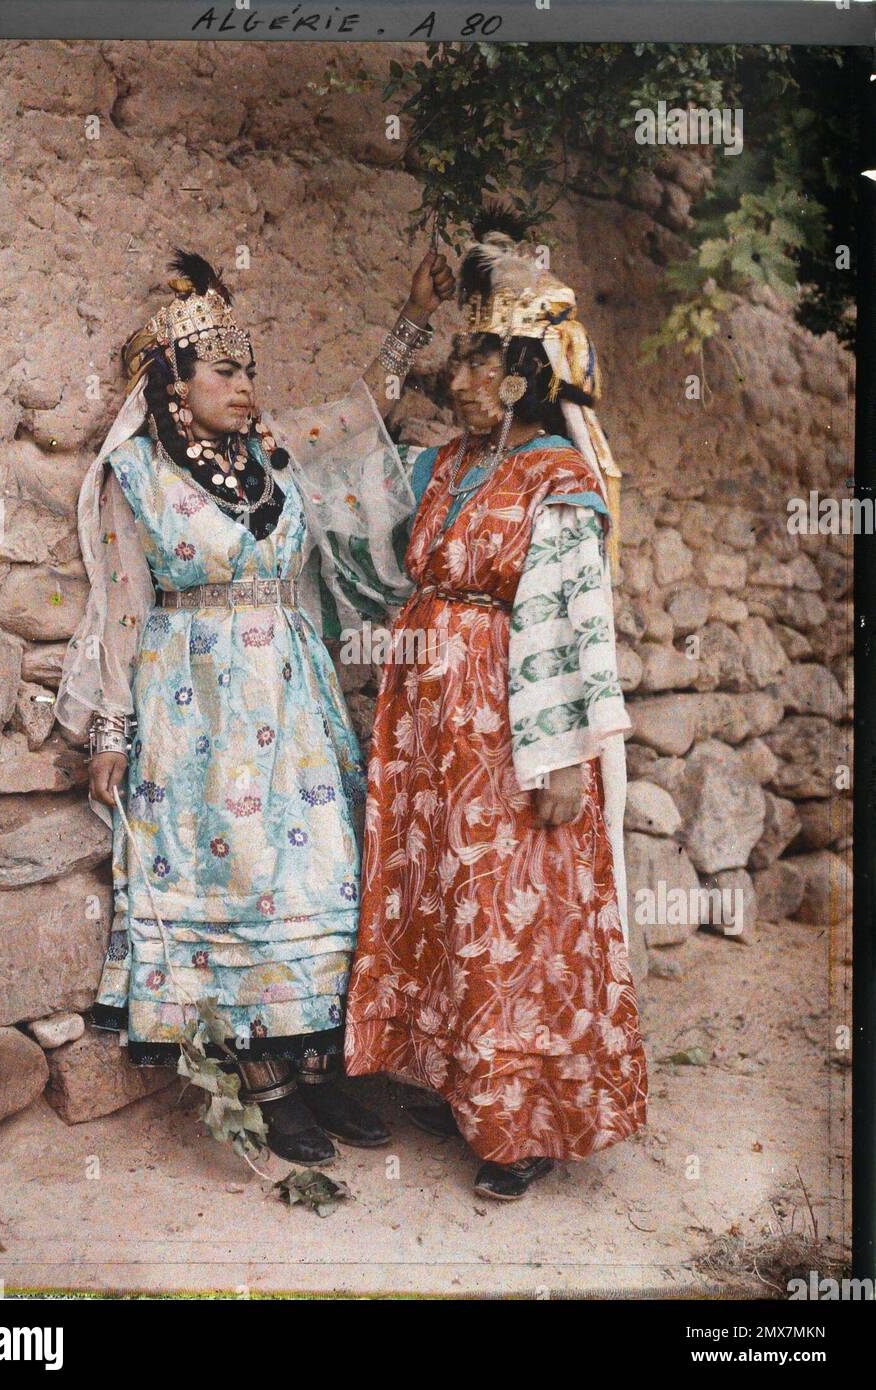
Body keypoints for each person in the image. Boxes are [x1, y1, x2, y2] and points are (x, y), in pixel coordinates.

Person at [55, 247, 454, 1166]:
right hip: (196, 702)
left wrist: (412, 313)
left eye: (250, 371)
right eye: (225, 371)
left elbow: (362, 417)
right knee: (239, 880)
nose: (245, 386)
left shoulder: (273, 451)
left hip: (295, 694)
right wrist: (111, 729)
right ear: (174, 383)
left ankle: (319, 1064)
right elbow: (121, 604)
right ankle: (265, 1084)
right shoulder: (139, 476)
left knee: (319, 874)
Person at [343, 225, 648, 1200]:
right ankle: (467, 1080)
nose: (457, 367)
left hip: (512, 735)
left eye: (475, 351)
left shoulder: (555, 474)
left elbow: (569, 617)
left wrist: (565, 756)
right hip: (432, 738)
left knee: (511, 916)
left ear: (518, 377)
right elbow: (351, 444)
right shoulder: (448, 466)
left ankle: (520, 1123)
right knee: (452, 904)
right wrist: (413, 314)